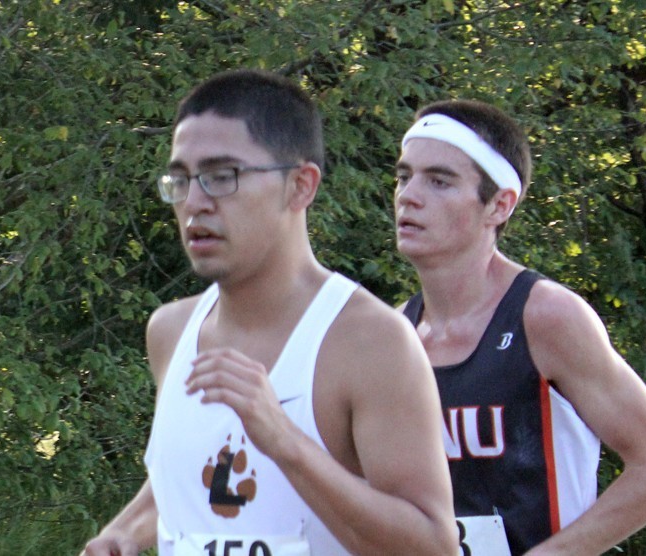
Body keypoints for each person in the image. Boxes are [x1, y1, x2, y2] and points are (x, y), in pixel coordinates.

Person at [81, 69, 458, 555]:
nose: (194, 203)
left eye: (222, 177)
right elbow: (189, 480)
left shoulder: (370, 342)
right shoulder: (170, 331)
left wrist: (285, 441)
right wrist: (122, 535)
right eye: (180, 180)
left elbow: (433, 546)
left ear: (300, 186)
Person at [393, 99, 646, 555]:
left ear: (499, 205)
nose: (409, 195)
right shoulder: (395, 333)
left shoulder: (546, 316)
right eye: (403, 176)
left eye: (439, 181)